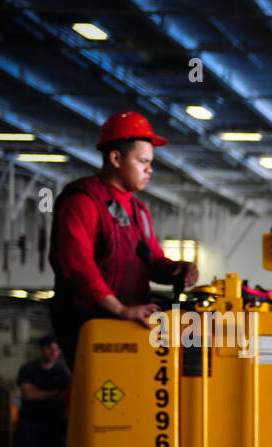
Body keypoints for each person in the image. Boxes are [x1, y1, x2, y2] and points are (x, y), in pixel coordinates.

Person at [50, 111, 197, 369]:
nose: (149, 169)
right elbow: (77, 265)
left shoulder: (138, 210)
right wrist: (119, 309)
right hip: (92, 323)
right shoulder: (83, 201)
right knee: (103, 390)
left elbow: (152, 261)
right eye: (142, 161)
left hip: (131, 322)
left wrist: (178, 269)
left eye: (150, 162)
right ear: (116, 158)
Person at [14, 336, 71, 447]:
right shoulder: (29, 370)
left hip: (51, 430)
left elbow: (65, 396)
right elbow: (28, 394)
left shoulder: (61, 373)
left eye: (56, 350)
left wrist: (40, 393)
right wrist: (54, 393)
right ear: (42, 349)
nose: (53, 353)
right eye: (50, 349)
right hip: (30, 427)